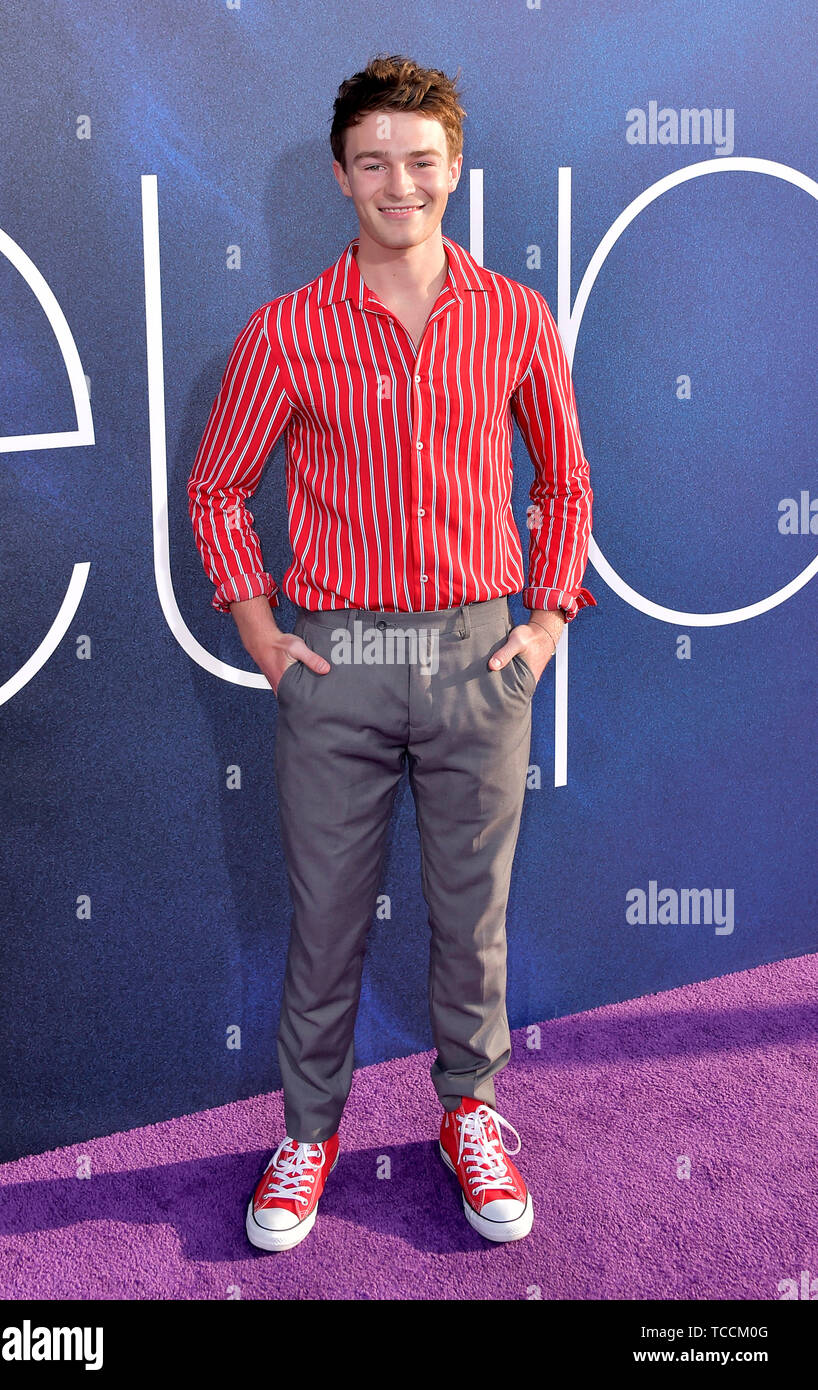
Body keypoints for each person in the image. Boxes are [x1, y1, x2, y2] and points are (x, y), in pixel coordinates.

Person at [187, 53, 596, 1252]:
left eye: (420, 161)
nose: (397, 183)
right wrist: (262, 630)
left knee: (471, 922)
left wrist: (545, 623)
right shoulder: (288, 329)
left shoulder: (515, 315)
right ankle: (307, 1133)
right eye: (374, 162)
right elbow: (217, 490)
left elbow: (563, 481)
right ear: (340, 174)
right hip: (337, 662)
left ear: (454, 168)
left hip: (483, 658)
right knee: (324, 922)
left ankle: (468, 1112)